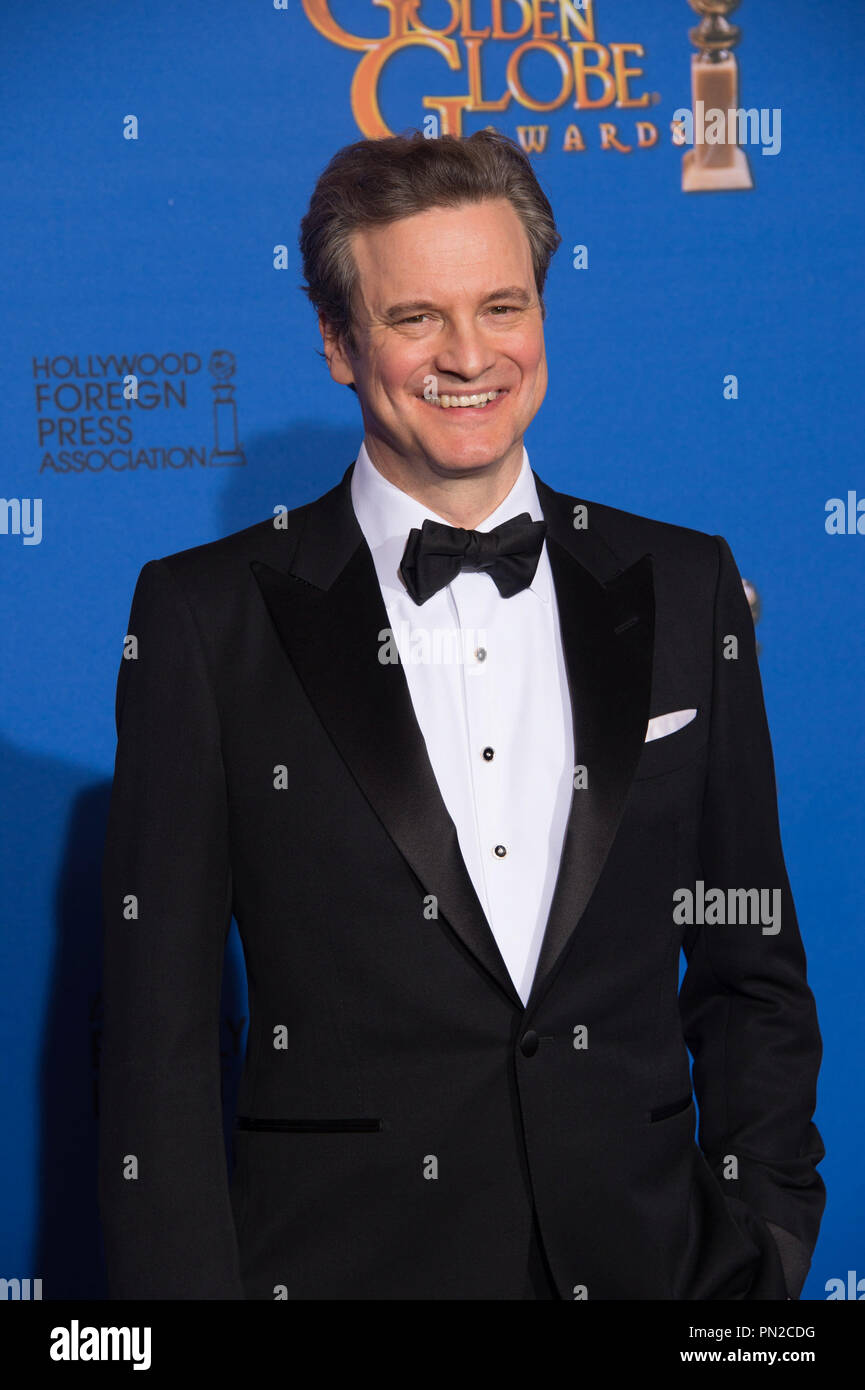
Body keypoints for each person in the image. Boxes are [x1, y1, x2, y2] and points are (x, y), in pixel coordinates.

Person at [98, 130, 824, 1300]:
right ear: (338, 341)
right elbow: (156, 1042)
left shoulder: (687, 586)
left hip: (663, 1276)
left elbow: (749, 961)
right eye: (413, 317)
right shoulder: (205, 618)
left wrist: (765, 1245)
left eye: (501, 304)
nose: (469, 354)